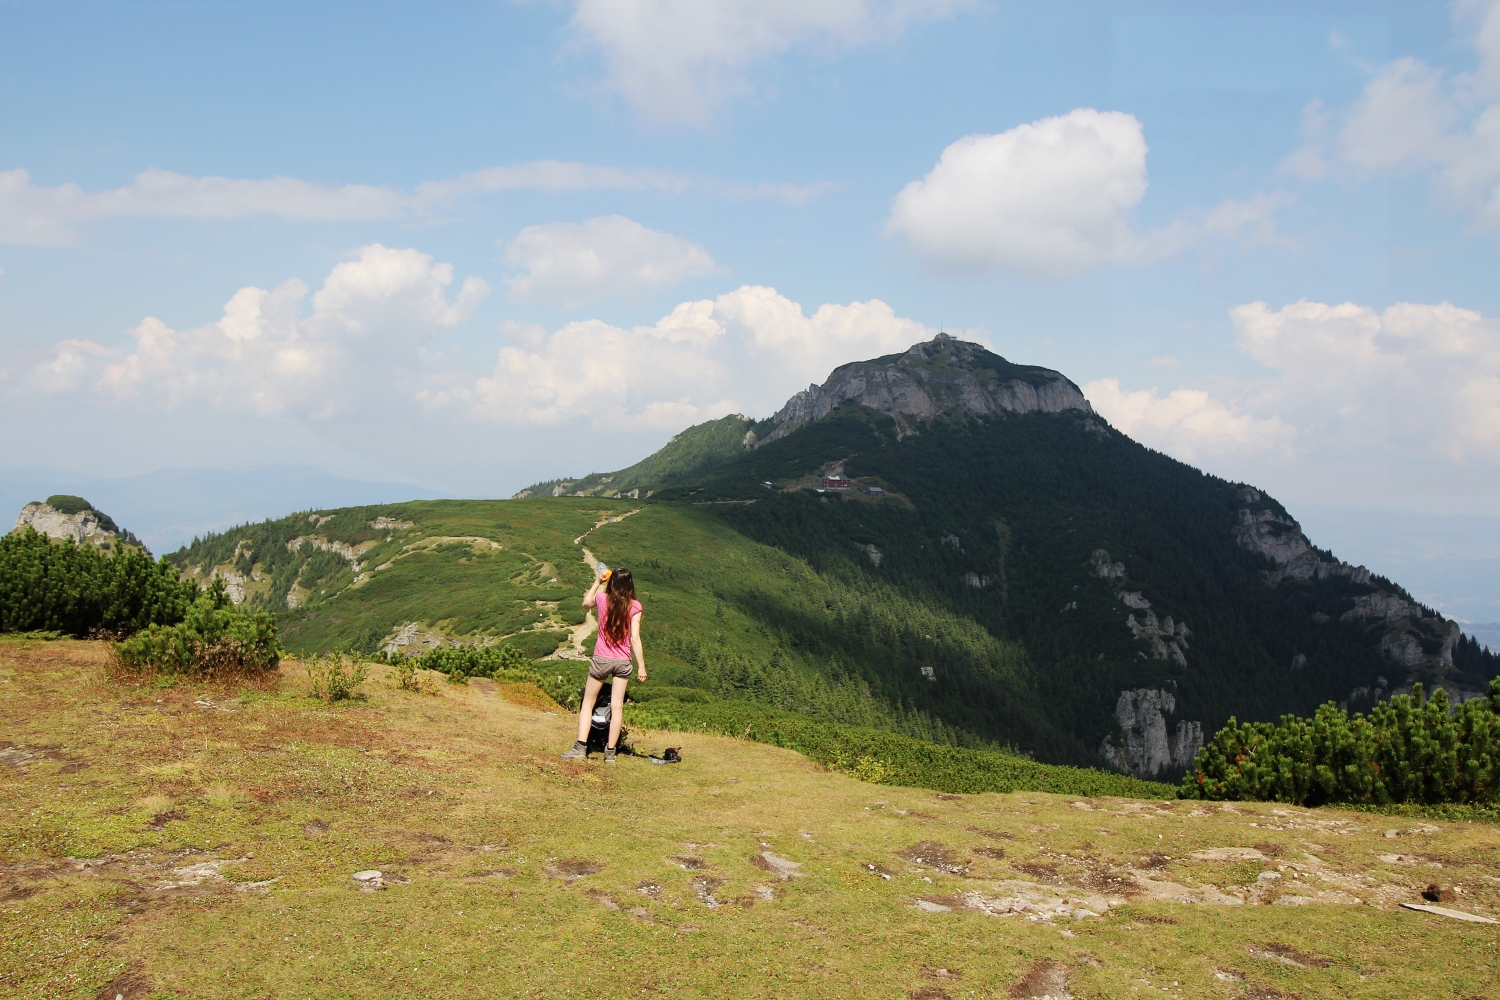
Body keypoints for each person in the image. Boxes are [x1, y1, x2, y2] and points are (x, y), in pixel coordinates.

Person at [560, 566, 645, 762]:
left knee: (588, 703)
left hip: (601, 658)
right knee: (617, 707)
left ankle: (580, 748)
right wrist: (641, 666)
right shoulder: (635, 606)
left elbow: (585, 603)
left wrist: (598, 582)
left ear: (612, 582)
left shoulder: (602, 599)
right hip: (623, 661)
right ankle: (610, 753)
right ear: (630, 584)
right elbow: (635, 639)